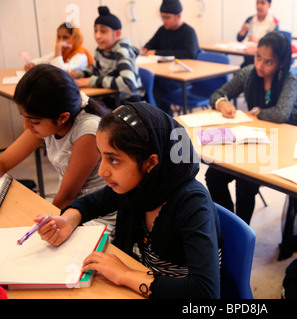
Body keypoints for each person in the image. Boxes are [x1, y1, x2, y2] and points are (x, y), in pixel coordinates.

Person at [37, 102, 221, 299]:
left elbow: (205, 292)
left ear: (151, 162)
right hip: (145, 283)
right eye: (102, 157)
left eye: (113, 159)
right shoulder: (140, 185)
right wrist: (68, 220)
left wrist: (125, 274)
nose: (102, 171)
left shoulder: (192, 203)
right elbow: (92, 203)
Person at [0, 64, 116, 233]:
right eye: (24, 118)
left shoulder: (88, 131)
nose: (26, 125)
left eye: (33, 121)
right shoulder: (46, 122)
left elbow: (67, 196)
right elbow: (3, 161)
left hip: (96, 215)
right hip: (71, 208)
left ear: (63, 117)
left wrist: (44, 224)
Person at [206, 31, 297, 224]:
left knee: (245, 182)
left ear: (281, 63)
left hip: (279, 145)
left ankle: (240, 230)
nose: (260, 65)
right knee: (213, 176)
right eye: (258, 57)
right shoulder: (248, 73)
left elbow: (281, 114)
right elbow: (218, 93)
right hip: (250, 140)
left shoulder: (289, 80)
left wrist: (256, 112)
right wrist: (222, 103)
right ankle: (228, 224)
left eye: (268, 62)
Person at [70, 6, 143, 106]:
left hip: (128, 103)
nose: (97, 36)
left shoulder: (122, 52)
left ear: (117, 34)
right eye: (95, 31)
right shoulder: (101, 50)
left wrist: (91, 81)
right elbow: (95, 71)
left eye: (103, 31)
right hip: (109, 99)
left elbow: (128, 83)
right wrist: (76, 74)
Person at [141, 0, 200, 116]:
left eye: (167, 17)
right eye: (162, 17)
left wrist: (157, 52)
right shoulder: (163, 29)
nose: (164, 21)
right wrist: (146, 49)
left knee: (155, 86)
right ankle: (157, 117)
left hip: (180, 77)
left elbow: (189, 54)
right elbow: (151, 44)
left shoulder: (188, 32)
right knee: (144, 83)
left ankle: (164, 118)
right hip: (164, 73)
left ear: (178, 16)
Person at [25, 22, 94, 72]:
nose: (60, 41)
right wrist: (32, 64)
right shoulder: (64, 53)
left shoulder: (80, 56)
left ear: (75, 38)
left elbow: (61, 71)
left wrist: (58, 48)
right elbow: (43, 60)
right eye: (59, 37)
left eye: (65, 37)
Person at [237, 0, 279, 68]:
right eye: (257, 3)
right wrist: (242, 31)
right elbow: (239, 39)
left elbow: (274, 44)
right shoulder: (250, 19)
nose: (259, 6)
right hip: (249, 57)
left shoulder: (273, 22)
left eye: (262, 3)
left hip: (264, 60)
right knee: (239, 71)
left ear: (269, 5)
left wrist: (257, 42)